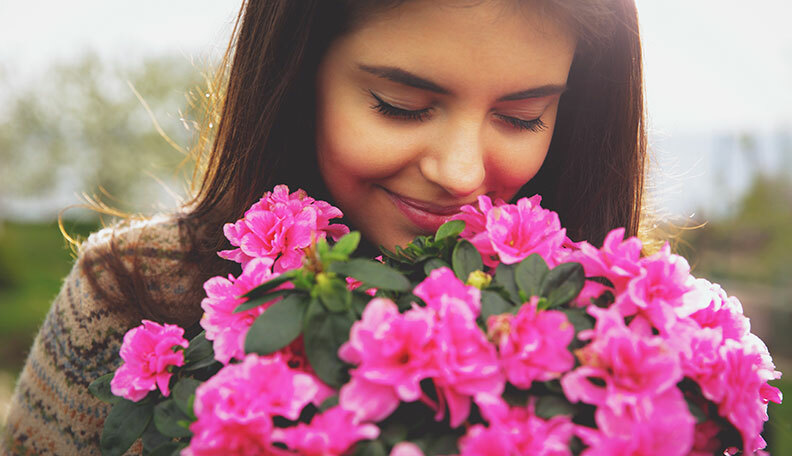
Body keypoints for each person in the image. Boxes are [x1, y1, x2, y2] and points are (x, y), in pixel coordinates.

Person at [2, 0, 647, 454]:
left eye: (522, 117)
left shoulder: (629, 337)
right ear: (297, 75)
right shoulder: (124, 299)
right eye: (402, 107)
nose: (460, 171)